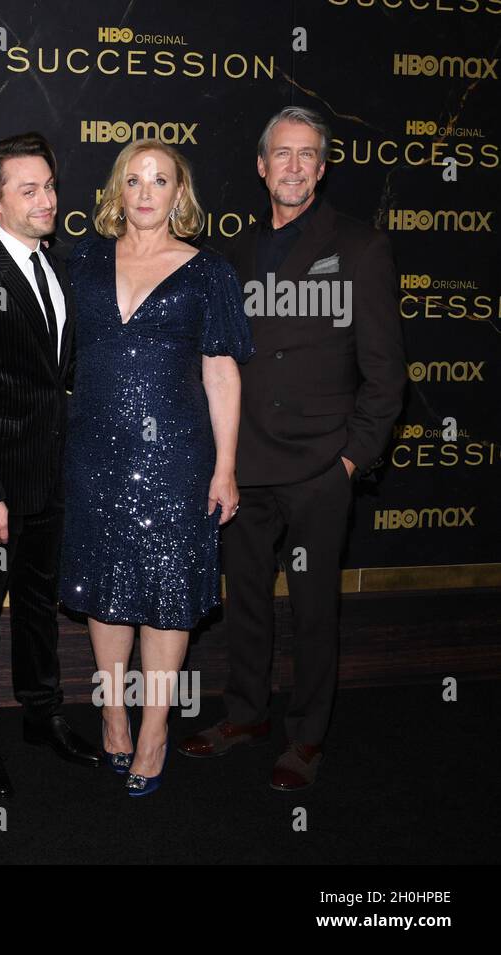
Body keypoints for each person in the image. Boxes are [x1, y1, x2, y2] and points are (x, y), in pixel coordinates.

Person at [177, 107, 405, 790]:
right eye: (283, 154)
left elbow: (386, 375)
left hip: (317, 469)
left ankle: (306, 737)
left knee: (313, 609)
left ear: (323, 166)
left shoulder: (362, 247)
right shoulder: (234, 253)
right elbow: (216, 360)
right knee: (244, 601)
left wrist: (347, 462)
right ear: (261, 165)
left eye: (308, 155)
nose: (295, 166)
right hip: (243, 466)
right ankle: (246, 713)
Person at [60, 140, 253, 797]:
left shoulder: (208, 273)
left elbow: (222, 372)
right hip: (93, 455)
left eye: (160, 180)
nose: (146, 191)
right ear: (117, 191)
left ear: (180, 193)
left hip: (176, 459)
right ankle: (114, 713)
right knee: (106, 586)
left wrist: (226, 467)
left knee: (167, 595)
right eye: (134, 180)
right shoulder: (84, 260)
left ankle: (154, 728)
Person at [0, 131, 103, 800]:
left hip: (51, 478)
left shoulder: (59, 268)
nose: (47, 199)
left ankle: (42, 712)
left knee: (38, 606)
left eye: (50, 186)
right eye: (28, 189)